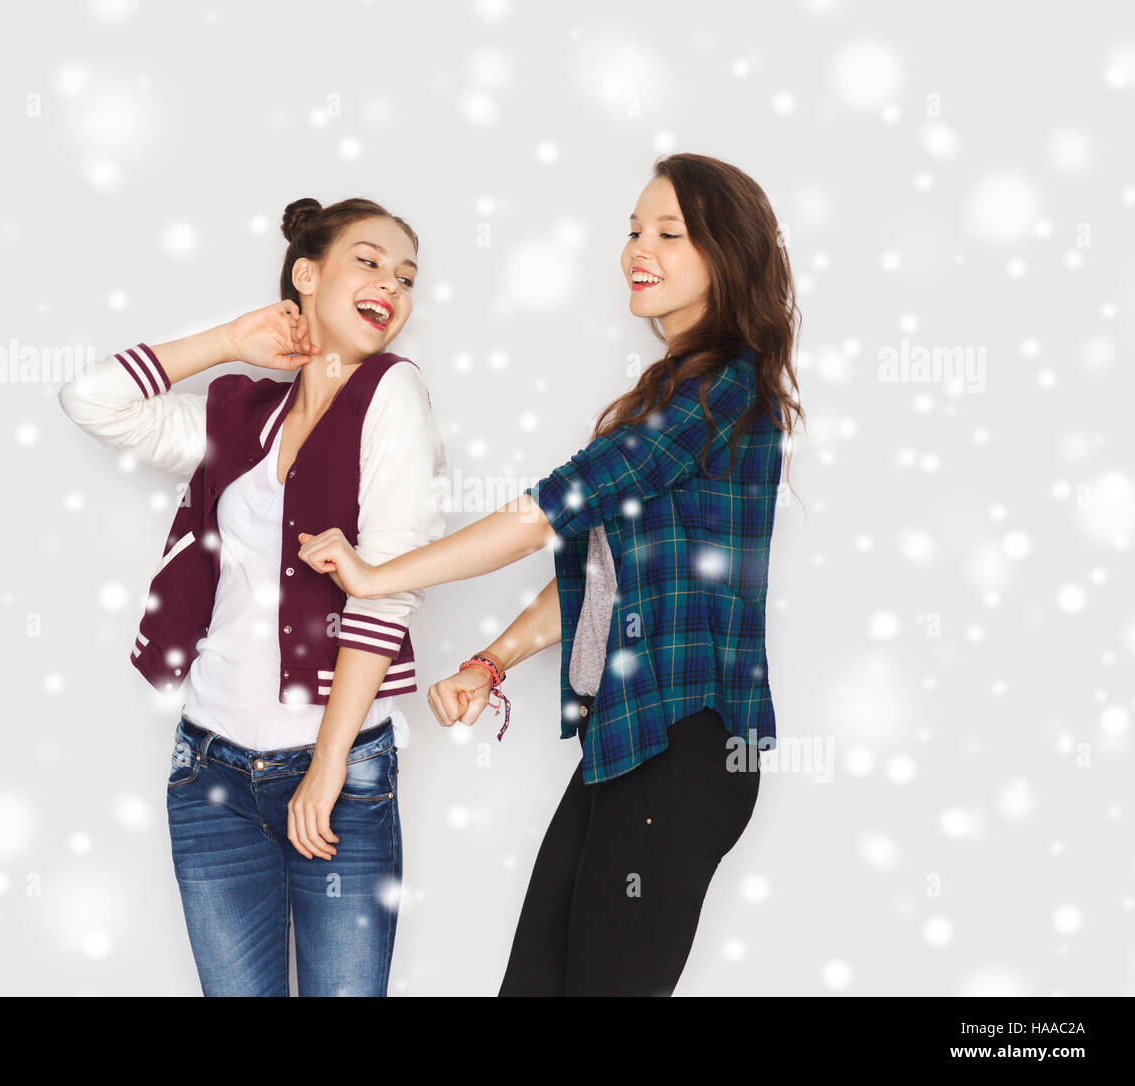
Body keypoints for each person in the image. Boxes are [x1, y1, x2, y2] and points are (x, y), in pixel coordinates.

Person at [296, 154, 804, 996]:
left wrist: (374, 577)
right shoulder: (671, 390)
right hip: (632, 739)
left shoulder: (721, 389)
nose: (637, 248)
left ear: (728, 254)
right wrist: (489, 663)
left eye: (668, 233)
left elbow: (546, 513)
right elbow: (599, 580)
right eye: (634, 230)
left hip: (687, 744)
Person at [57, 196, 449, 996]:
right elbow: (92, 399)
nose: (392, 287)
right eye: (369, 261)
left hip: (339, 774)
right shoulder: (244, 416)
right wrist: (232, 339)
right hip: (209, 771)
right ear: (307, 275)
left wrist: (330, 764)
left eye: (406, 277)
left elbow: (389, 591)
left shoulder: (392, 395)